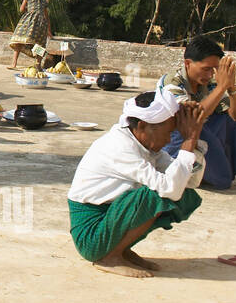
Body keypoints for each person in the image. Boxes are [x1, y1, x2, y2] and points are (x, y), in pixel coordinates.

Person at [67, 89, 208, 278]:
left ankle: (121, 250)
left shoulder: (146, 146)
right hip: (91, 236)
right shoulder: (120, 147)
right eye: (167, 133)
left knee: (183, 194)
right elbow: (170, 190)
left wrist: (192, 139)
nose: (168, 140)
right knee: (155, 195)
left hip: (108, 221)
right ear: (142, 126)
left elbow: (189, 182)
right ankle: (109, 257)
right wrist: (188, 141)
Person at [157, 36, 236, 190]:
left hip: (199, 133)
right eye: (206, 69)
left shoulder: (210, 83)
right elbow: (192, 118)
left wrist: (231, 87)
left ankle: (218, 169)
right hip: (174, 137)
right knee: (196, 126)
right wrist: (221, 88)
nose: (210, 75)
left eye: (214, 69)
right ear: (188, 63)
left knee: (228, 120)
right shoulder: (172, 83)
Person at [8, 0, 50, 69]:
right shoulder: (43, 1)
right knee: (39, 44)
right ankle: (38, 65)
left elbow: (21, 9)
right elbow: (46, 16)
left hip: (29, 21)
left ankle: (14, 63)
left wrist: (29, 9)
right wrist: (48, 31)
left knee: (18, 40)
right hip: (41, 23)